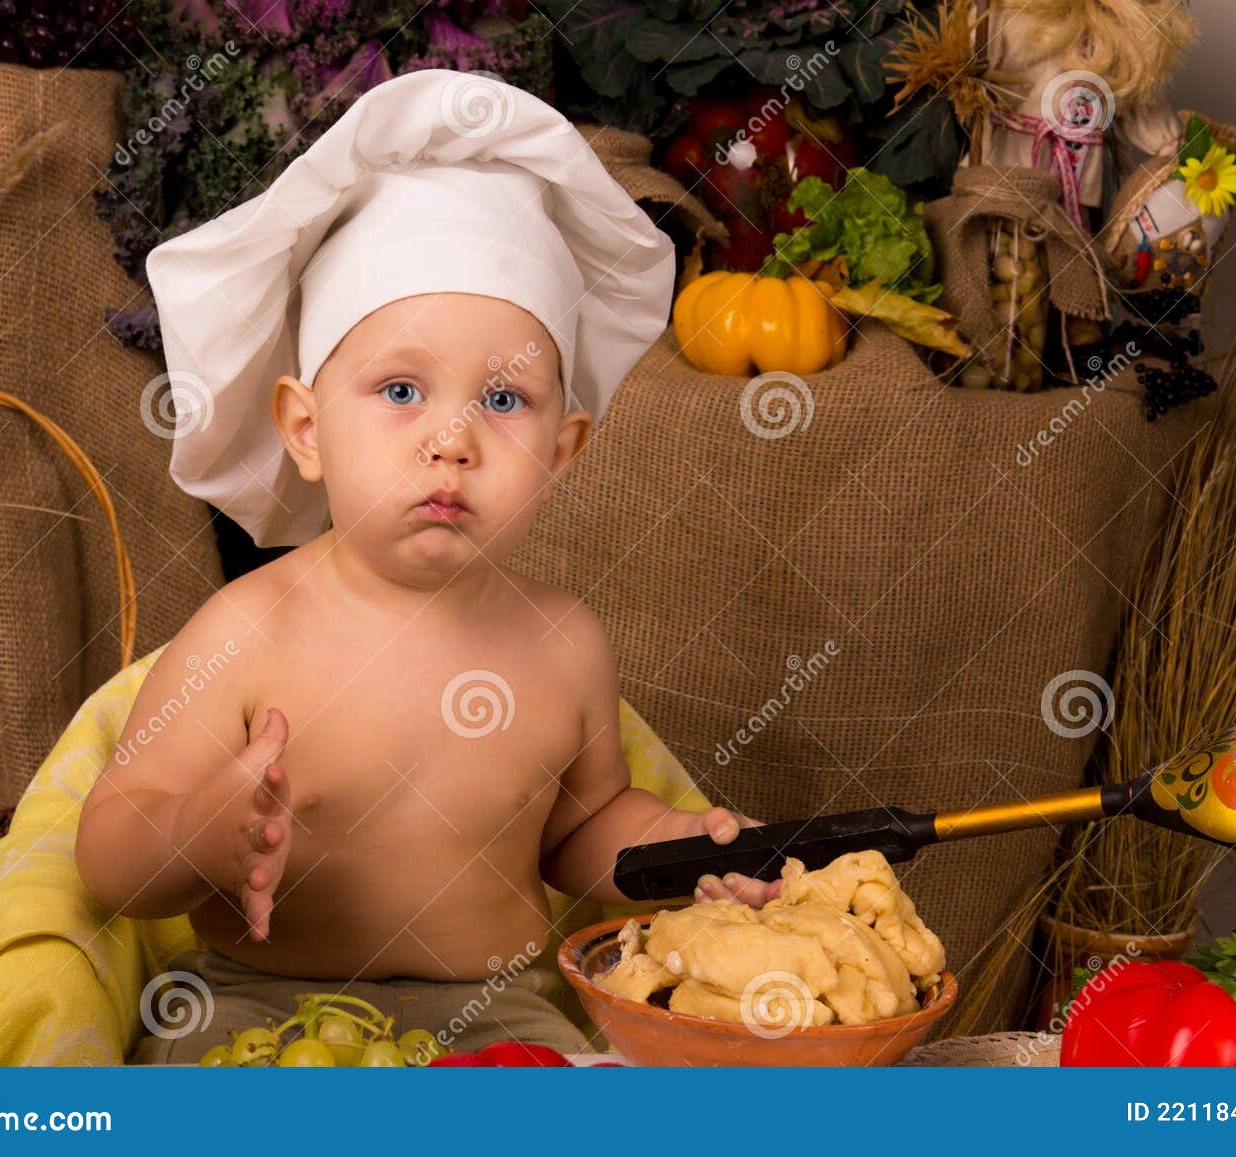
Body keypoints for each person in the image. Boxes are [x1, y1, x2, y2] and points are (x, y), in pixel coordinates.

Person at [73, 70, 775, 1064]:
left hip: (498, 1018)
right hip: (254, 1011)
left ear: (563, 450)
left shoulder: (562, 643)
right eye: (400, 389)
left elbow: (578, 833)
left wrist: (677, 848)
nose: (451, 441)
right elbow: (105, 859)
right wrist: (201, 826)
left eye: (504, 401)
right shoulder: (248, 631)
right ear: (305, 429)